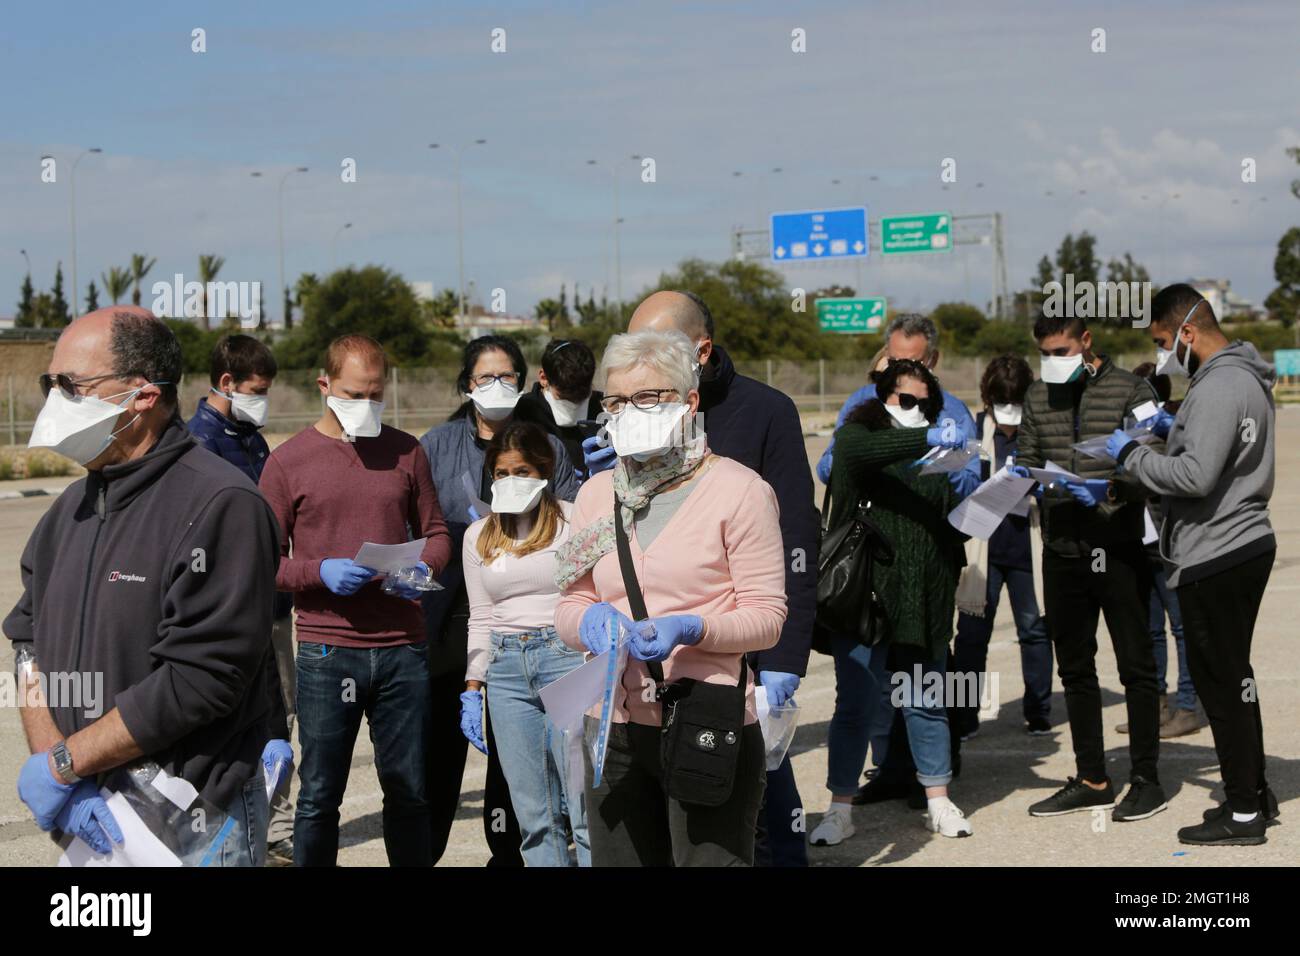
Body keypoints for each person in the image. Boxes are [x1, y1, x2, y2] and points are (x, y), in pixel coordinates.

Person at [6, 307, 281, 866]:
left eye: (70, 385)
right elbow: (26, 644)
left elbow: (199, 679)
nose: (55, 399)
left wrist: (62, 764)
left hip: (191, 824)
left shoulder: (219, 505)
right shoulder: (67, 512)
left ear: (142, 396)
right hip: (89, 817)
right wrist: (61, 769)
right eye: (49, 383)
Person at [554, 328, 787, 866]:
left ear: (690, 401)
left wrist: (694, 628)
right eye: (615, 400)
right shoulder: (595, 495)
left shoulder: (740, 490)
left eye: (648, 397)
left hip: (707, 719)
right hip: (611, 723)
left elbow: (767, 617)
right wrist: (588, 624)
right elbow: (569, 603)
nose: (628, 411)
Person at [626, 290, 818, 866]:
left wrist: (785, 657)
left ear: (700, 350)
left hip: (741, 645)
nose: (640, 362)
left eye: (653, 348)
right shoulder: (629, 414)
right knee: (676, 803)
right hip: (652, 654)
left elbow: (797, 540)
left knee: (759, 786)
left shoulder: (765, 412)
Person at [259, 334, 452, 866]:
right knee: (320, 797)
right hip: (327, 651)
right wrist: (318, 572)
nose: (366, 405)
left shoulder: (407, 451)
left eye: (374, 394)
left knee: (410, 791)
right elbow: (262, 563)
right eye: (353, 393)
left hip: (403, 649)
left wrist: (423, 565)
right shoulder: (287, 463)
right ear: (323, 386)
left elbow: (437, 534)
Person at [1106, 285, 1277, 846]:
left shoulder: (1219, 384)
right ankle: (1254, 791)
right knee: (1237, 677)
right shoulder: (1243, 376)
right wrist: (1170, 433)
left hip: (1218, 549)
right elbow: (1215, 454)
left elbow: (1197, 476)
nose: (1161, 355)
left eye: (1161, 342)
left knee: (1220, 686)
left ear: (1186, 331)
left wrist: (1133, 457)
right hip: (1242, 542)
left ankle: (1245, 813)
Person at [418, 335, 580, 866]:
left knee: (565, 797)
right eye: (484, 377)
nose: (496, 386)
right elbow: (414, 524)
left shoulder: (557, 475)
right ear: (466, 383)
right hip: (464, 630)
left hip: (551, 638)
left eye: (507, 376)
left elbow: (584, 550)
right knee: (460, 764)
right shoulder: (440, 454)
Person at [811, 359, 974, 843]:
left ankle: (938, 801)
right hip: (866, 594)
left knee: (926, 703)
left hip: (924, 594)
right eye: (906, 400)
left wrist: (974, 489)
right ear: (883, 397)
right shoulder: (858, 436)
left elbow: (952, 517)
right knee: (856, 705)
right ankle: (840, 806)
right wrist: (928, 437)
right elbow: (860, 454)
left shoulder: (940, 452)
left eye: (926, 405)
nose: (917, 411)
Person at [1012, 312, 1166, 823]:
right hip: (1060, 547)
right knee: (1075, 669)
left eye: (1062, 352)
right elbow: (1028, 453)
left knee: (1136, 667)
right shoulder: (1037, 395)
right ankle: (1093, 777)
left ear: (1085, 341)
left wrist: (1113, 490)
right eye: (1046, 354)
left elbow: (1156, 456)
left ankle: (1146, 778)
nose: (1054, 363)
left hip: (1118, 546)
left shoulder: (1131, 388)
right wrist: (1029, 477)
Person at [186, 332, 298, 865]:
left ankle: (274, 827)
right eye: (257, 389)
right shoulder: (196, 445)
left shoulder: (252, 438)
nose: (264, 399)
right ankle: (232, 830)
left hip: (272, 605)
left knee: (280, 718)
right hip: (230, 612)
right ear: (226, 383)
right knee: (234, 719)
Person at [463, 421, 589, 865]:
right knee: (534, 817)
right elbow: (480, 615)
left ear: (545, 471)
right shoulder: (477, 536)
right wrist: (473, 686)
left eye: (522, 471)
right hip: (505, 671)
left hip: (567, 659)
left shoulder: (575, 519)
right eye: (501, 473)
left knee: (584, 809)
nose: (511, 481)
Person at [952, 354, 1053, 740]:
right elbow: (960, 482)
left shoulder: (1037, 430)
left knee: (1034, 630)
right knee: (972, 636)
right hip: (983, 550)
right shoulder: (976, 430)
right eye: (1001, 402)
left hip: (1027, 547)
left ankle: (1039, 712)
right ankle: (964, 717)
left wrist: (1042, 486)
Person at [1115, 362, 1203, 740]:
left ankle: (1188, 706)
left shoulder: (1175, 431)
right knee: (1150, 630)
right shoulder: (1127, 432)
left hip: (1170, 545)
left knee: (1181, 628)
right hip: (1139, 544)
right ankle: (1155, 705)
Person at [816, 313, 980, 497]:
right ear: (886, 355)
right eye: (894, 362)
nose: (901, 372)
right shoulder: (860, 401)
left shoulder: (953, 411)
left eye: (913, 363)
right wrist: (848, 456)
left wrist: (945, 466)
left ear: (933, 359)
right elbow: (825, 472)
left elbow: (972, 485)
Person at [514, 338, 604, 481]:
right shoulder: (523, 411)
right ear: (544, 378)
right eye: (565, 396)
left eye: (581, 396)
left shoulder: (603, 407)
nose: (574, 403)